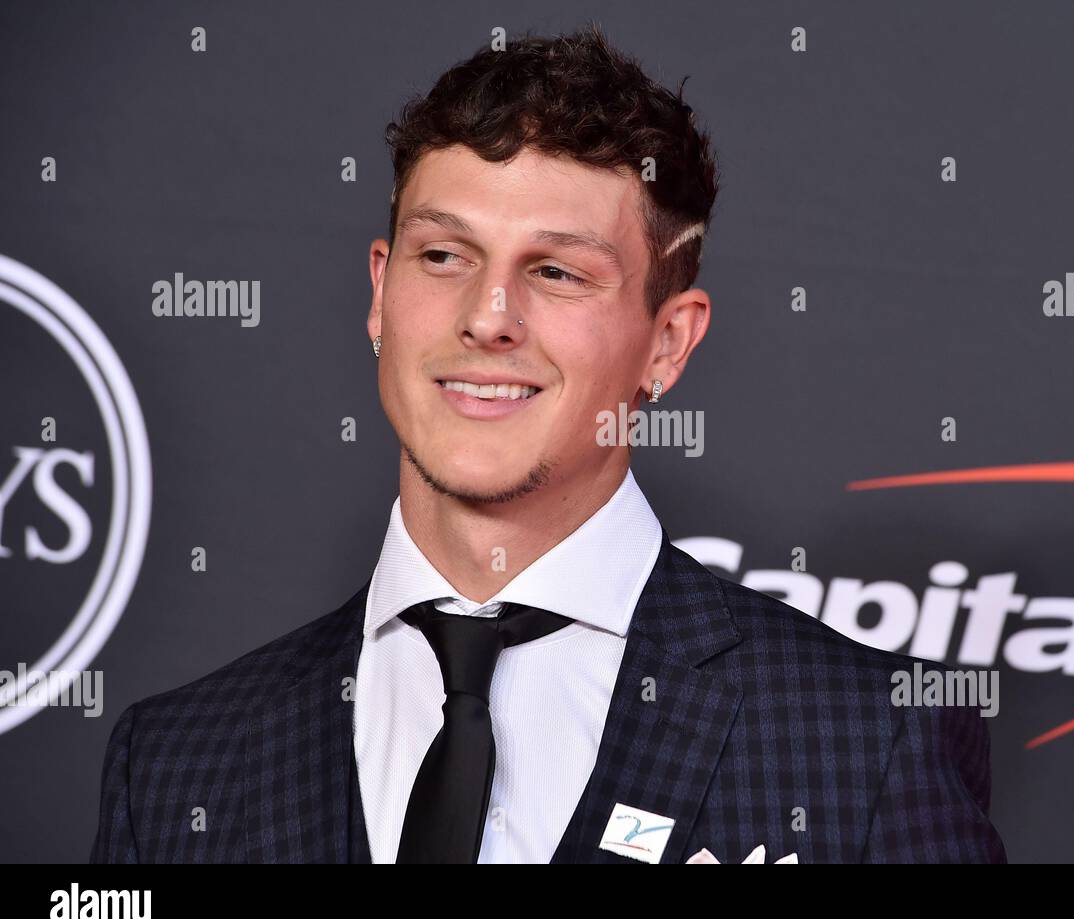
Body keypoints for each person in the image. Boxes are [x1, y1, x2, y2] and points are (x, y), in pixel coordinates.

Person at [91, 23, 1006, 864]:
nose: (489, 318)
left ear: (668, 342)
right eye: (444, 255)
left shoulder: (863, 738)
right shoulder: (175, 761)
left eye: (558, 271)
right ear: (381, 291)